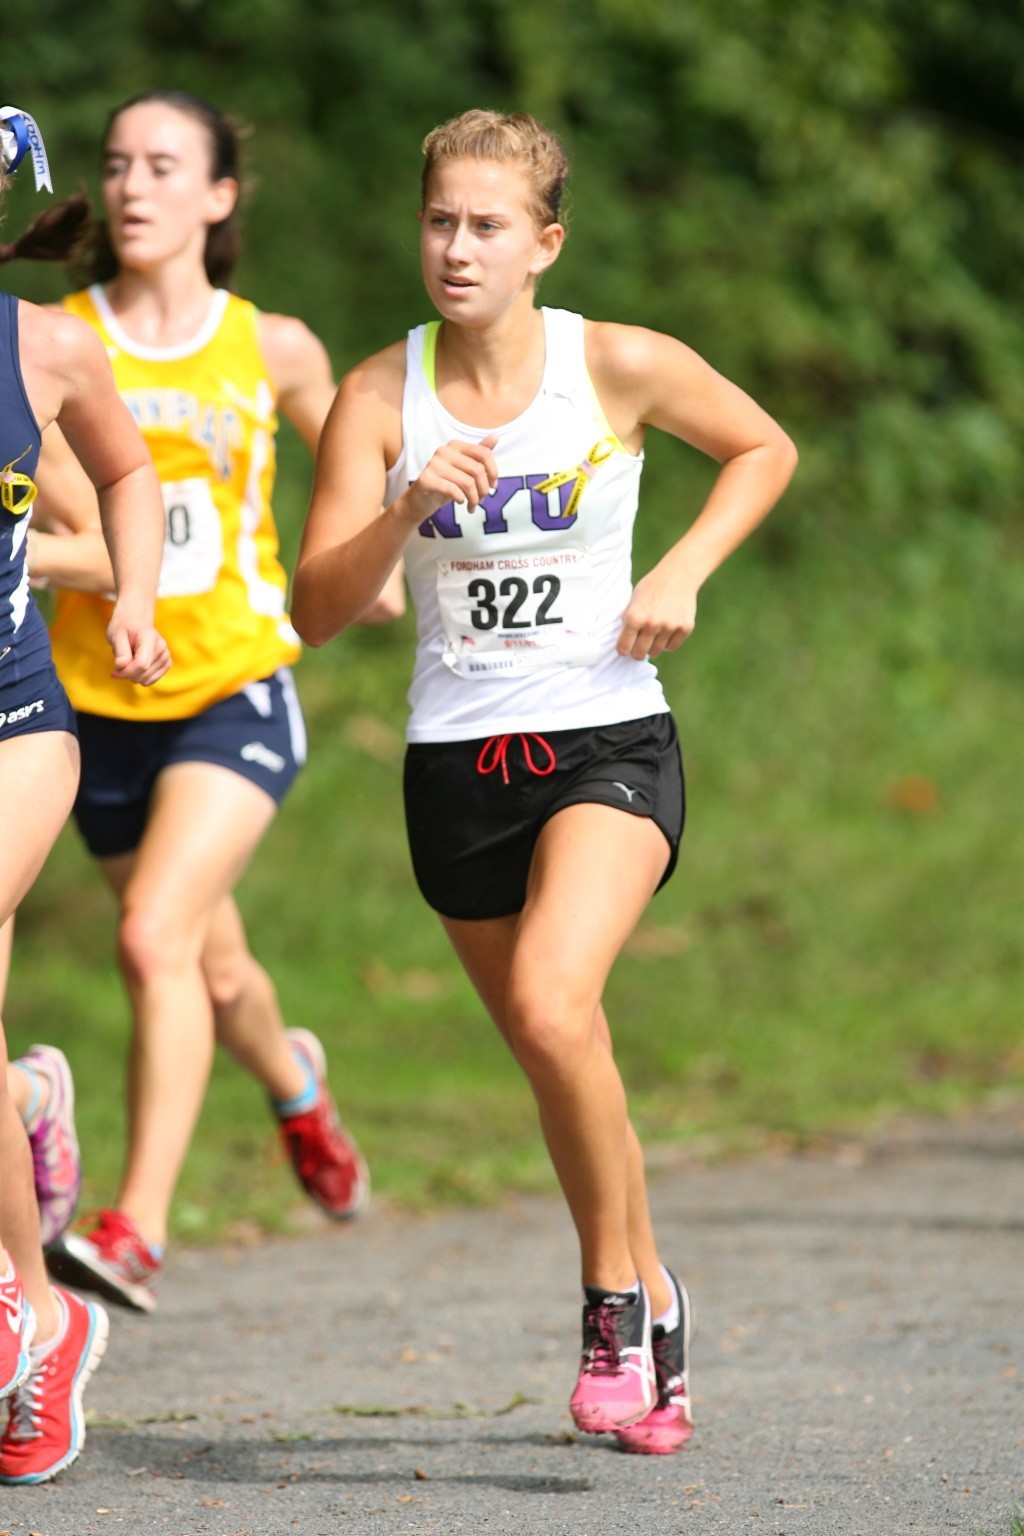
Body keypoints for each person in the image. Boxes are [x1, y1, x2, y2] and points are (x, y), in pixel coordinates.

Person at [292, 109, 798, 1454]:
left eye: (487, 226)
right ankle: (666, 1303)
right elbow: (317, 605)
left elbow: (764, 448)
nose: (456, 249)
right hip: (456, 765)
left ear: (544, 245)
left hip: (606, 738)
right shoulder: (375, 395)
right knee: (558, 1047)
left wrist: (681, 570)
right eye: (439, 222)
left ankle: (610, 1304)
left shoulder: (614, 362)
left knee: (553, 1002)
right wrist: (402, 502)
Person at [36, 90, 403, 1316]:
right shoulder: (55, 338)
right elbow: (56, 526)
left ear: (219, 195)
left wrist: (382, 564)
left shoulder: (275, 346)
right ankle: (298, 1086)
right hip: (93, 702)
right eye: (116, 165)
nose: (133, 187)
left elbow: (350, 462)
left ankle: (136, 1225)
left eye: (164, 165)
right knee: (215, 965)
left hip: (235, 686)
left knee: (152, 937)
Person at [0, 102, 169, 1482]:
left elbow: (127, 474)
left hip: (15, 732)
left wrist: (134, 598)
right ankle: (41, 1313)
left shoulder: (44, 348)